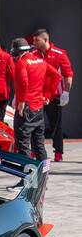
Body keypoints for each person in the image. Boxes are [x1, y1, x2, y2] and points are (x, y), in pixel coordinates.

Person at [12, 38, 57, 162]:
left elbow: (23, 82)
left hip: (26, 108)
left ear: (16, 51)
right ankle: (43, 177)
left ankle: (27, 178)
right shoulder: (41, 61)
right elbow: (56, 76)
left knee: (23, 144)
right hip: (38, 109)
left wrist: (20, 102)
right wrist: (47, 96)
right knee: (39, 145)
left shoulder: (22, 62)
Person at [32, 29, 73, 162]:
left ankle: (58, 152)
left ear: (45, 40)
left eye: (36, 40)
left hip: (54, 96)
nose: (34, 43)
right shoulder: (33, 54)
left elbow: (68, 74)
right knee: (34, 124)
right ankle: (34, 150)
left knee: (56, 125)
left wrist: (66, 92)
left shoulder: (59, 54)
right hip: (37, 95)